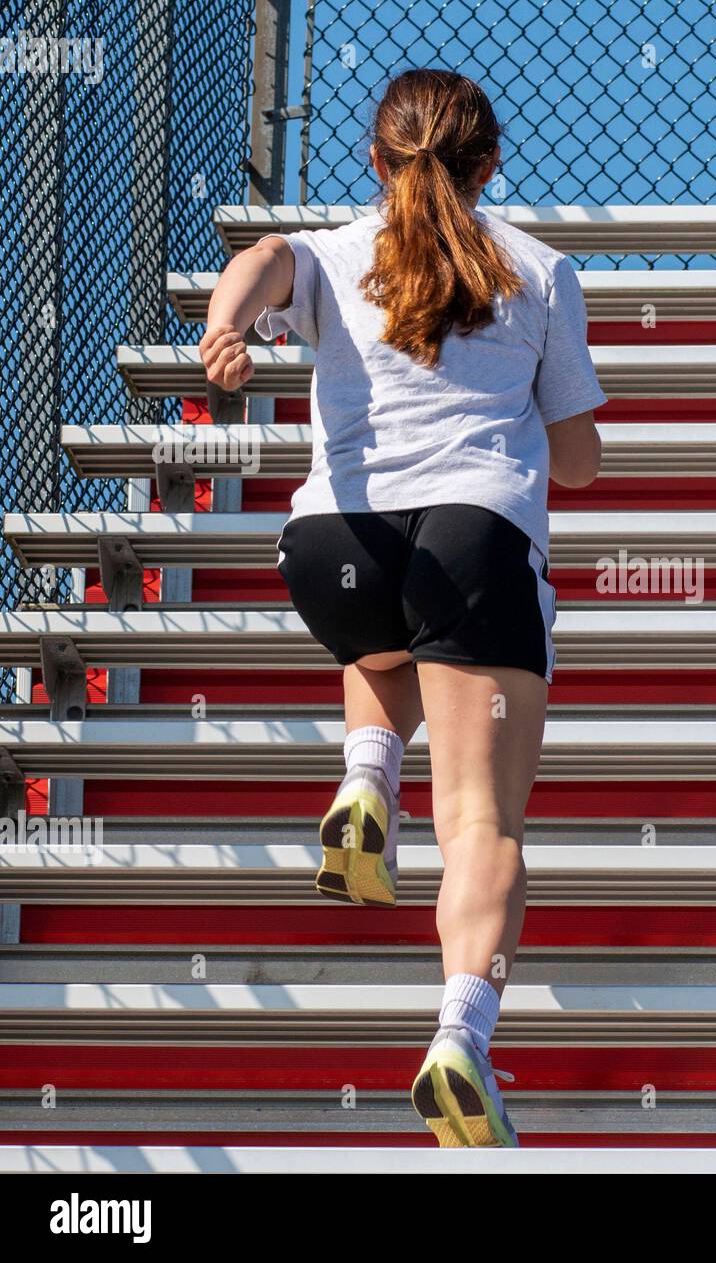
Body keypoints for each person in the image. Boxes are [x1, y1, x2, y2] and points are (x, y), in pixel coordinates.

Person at [198, 68, 604, 1148]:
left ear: (375, 161)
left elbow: (261, 261)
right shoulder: (539, 270)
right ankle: (461, 1035)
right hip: (474, 534)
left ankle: (365, 777)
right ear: (491, 164)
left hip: (333, 541)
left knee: (384, 627)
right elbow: (577, 465)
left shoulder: (333, 251)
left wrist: (225, 329)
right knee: (481, 821)